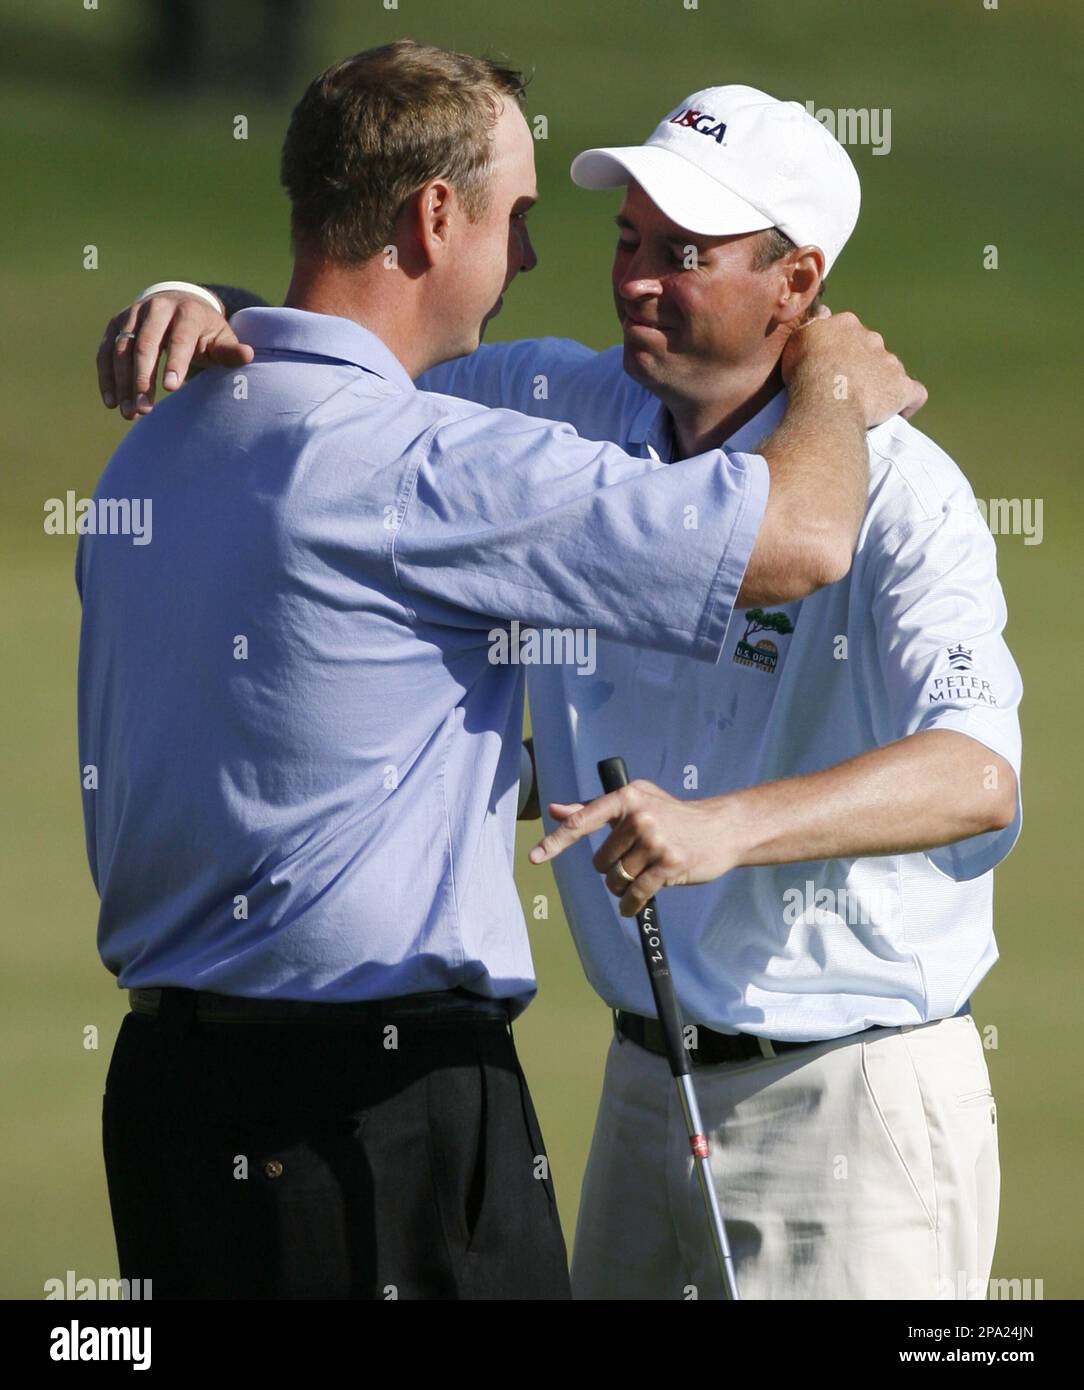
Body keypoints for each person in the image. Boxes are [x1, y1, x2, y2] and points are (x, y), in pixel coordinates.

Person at [90, 76, 954, 1301]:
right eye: (525, 217)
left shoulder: (169, 434)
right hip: (377, 1117)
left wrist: (206, 298)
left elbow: (317, 352)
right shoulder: (442, 460)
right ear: (437, 219)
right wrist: (833, 381)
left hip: (167, 1105)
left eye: (680, 247)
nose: (546, 256)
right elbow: (800, 538)